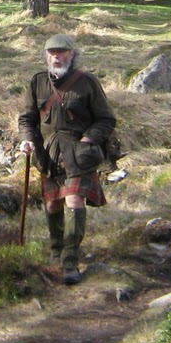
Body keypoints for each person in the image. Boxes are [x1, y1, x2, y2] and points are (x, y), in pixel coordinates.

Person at [17, 33, 116, 284]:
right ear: (46, 56)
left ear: (72, 55)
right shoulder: (37, 82)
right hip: (48, 154)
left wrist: (88, 139)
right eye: (52, 53)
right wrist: (26, 139)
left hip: (79, 155)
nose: (56, 56)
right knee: (52, 204)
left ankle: (70, 261)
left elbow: (106, 119)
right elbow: (27, 119)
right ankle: (56, 251)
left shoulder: (87, 83)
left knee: (74, 200)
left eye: (61, 52)